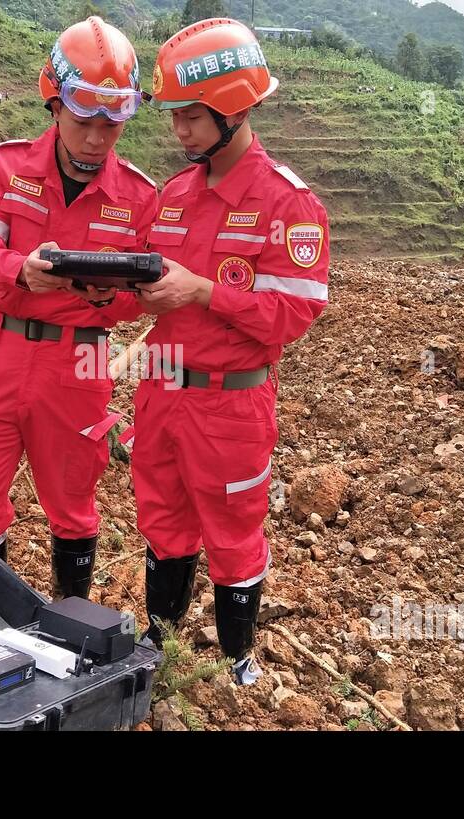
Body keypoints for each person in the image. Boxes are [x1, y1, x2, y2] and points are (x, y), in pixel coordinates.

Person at [131, 18, 331, 683]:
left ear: (235, 108)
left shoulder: (286, 203)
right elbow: (155, 285)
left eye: (191, 116)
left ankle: (238, 656)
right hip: (162, 393)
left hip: (231, 402)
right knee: (163, 521)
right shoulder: (175, 194)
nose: (178, 131)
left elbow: (292, 313)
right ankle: (160, 643)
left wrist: (204, 293)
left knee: (233, 530)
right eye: (174, 117)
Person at [0, 17, 157, 601]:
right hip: (2, 349)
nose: (97, 138)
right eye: (85, 122)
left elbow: (143, 296)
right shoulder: (5, 168)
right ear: (54, 103)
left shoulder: (139, 197)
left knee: (71, 500)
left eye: (111, 126)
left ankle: (71, 619)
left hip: (80, 361)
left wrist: (108, 297)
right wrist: (21, 270)